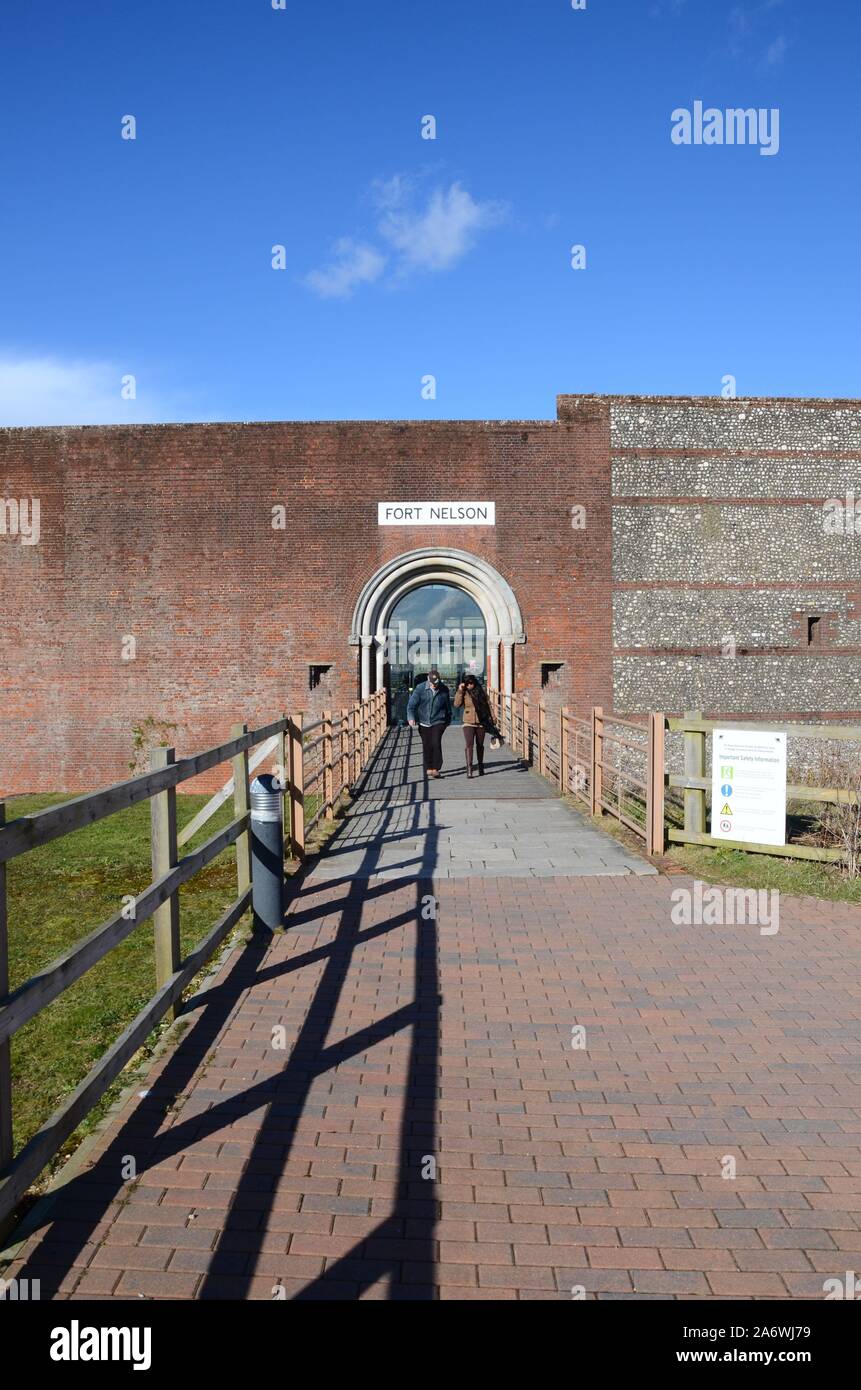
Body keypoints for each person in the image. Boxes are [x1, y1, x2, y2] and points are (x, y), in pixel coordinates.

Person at [407, 668, 452, 779]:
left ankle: (436, 768)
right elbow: (411, 705)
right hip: (424, 721)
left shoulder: (444, 689)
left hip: (439, 720)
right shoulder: (420, 688)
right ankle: (429, 768)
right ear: (428, 680)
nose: (434, 685)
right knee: (427, 745)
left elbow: (448, 707)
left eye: (436, 683)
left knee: (436, 743)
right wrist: (411, 718)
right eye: (432, 683)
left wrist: (447, 721)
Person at [454, 673, 492, 778]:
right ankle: (469, 768)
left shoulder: (481, 692)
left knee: (480, 745)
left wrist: (492, 718)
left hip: (481, 722)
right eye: (467, 684)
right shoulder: (464, 692)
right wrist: (460, 691)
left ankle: (480, 766)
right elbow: (456, 704)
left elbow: (488, 705)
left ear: (474, 682)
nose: (470, 685)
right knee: (469, 745)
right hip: (468, 722)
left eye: (471, 683)